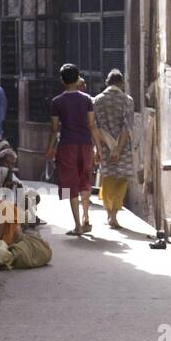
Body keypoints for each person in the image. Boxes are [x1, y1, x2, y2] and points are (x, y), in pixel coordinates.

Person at [46, 63, 101, 236]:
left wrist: (50, 147)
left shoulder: (57, 102)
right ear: (78, 79)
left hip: (67, 146)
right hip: (85, 145)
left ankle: (77, 226)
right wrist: (98, 148)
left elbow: (54, 128)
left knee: (71, 185)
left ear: (62, 80)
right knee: (85, 181)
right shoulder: (86, 100)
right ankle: (86, 217)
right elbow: (92, 125)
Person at [92, 69, 135, 230]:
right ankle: (114, 215)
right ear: (122, 83)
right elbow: (127, 127)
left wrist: (99, 147)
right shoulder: (127, 100)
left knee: (108, 179)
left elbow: (94, 127)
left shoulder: (97, 100)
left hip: (104, 145)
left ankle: (108, 213)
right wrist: (118, 149)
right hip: (122, 148)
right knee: (121, 179)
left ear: (106, 83)